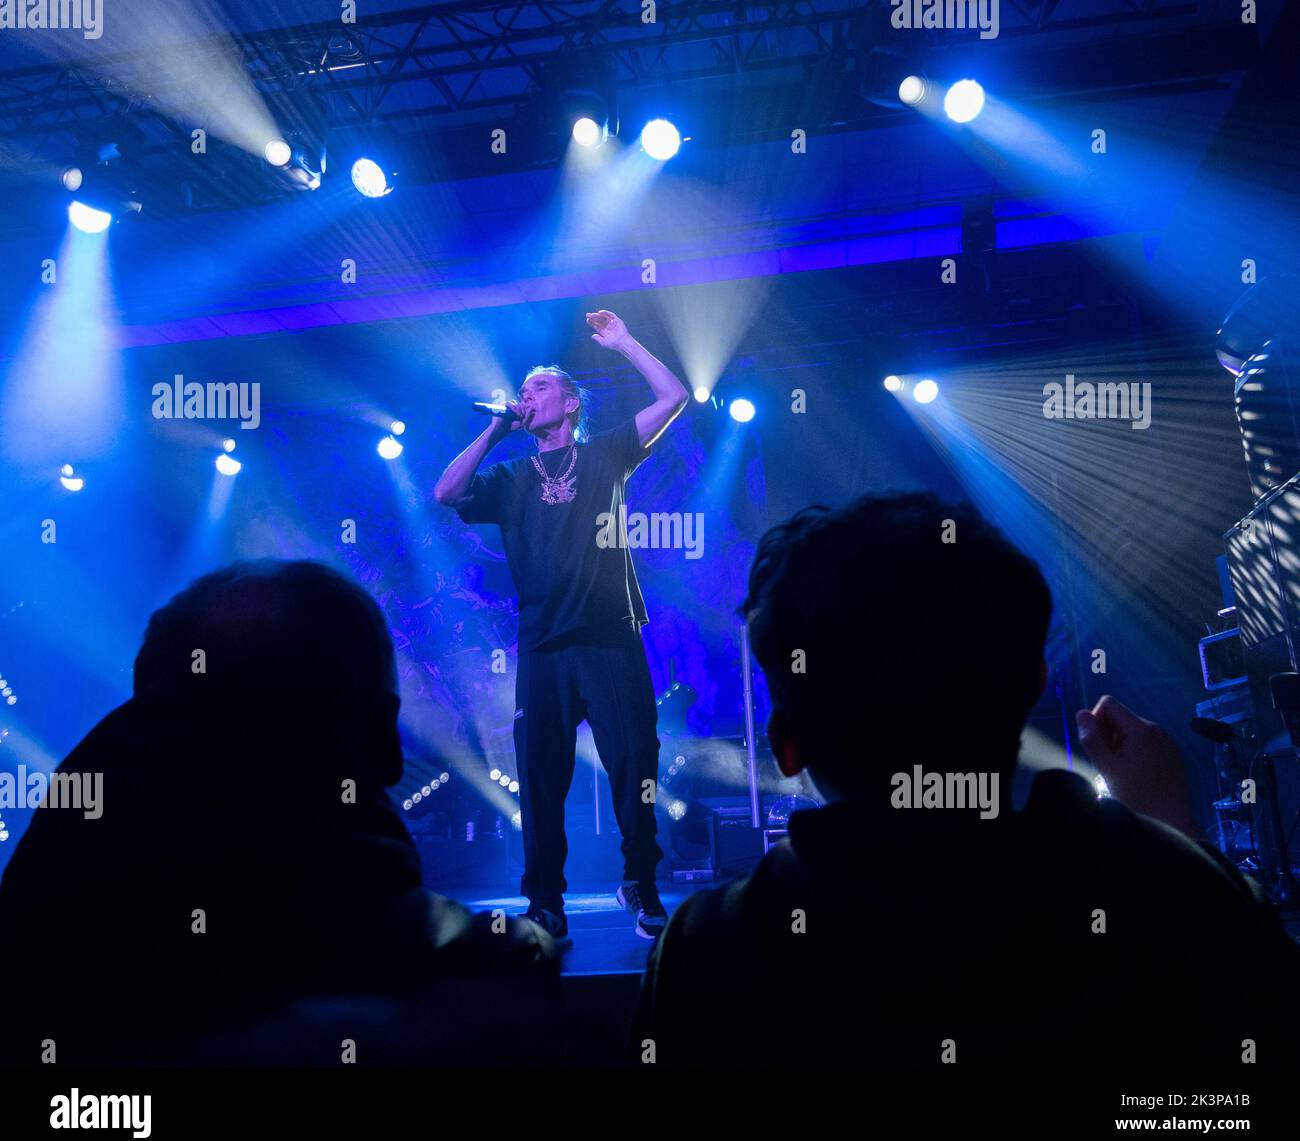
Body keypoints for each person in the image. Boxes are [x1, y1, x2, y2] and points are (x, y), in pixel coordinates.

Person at [632, 491, 1300, 1072]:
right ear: (1031, 684)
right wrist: (1172, 832)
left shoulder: (706, 953)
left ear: (784, 744)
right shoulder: (1171, 899)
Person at [0, 560, 577, 1066]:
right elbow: (411, 939)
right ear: (381, 733)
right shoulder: (457, 1012)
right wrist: (519, 945)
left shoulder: (49, 909)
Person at [434, 309, 689, 939]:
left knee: (635, 768)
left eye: (539, 387)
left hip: (609, 637)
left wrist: (625, 340)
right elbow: (445, 493)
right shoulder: (511, 476)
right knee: (540, 782)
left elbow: (674, 396)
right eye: (522, 391)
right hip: (543, 647)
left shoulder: (605, 455)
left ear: (570, 404)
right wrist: (495, 431)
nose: (527, 396)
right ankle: (545, 899)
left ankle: (641, 883)